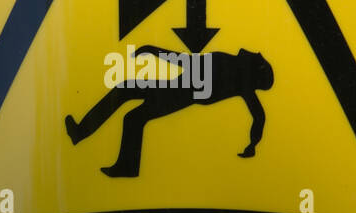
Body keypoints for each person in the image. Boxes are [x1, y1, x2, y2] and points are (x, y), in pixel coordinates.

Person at [64, 46, 274, 177]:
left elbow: (184, 61)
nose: (252, 52)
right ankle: (85, 136)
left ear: (254, 69)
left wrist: (153, 51)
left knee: (132, 115)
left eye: (257, 58)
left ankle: (124, 166)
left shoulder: (233, 72)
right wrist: (253, 144)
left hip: (178, 95)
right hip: (176, 89)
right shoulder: (233, 71)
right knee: (126, 97)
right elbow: (259, 115)